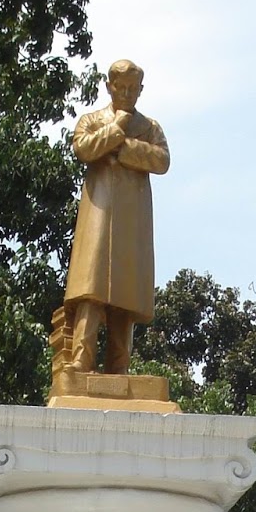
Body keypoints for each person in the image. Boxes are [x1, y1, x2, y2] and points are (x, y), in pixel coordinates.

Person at [63, 58, 169, 375]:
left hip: (132, 220)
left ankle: (119, 364)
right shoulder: (91, 120)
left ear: (140, 90)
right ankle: (82, 358)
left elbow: (161, 160)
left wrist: (122, 147)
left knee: (126, 293)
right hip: (98, 214)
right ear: (109, 87)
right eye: (120, 88)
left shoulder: (150, 128)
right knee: (91, 288)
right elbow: (84, 149)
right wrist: (116, 128)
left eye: (132, 89)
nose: (125, 94)